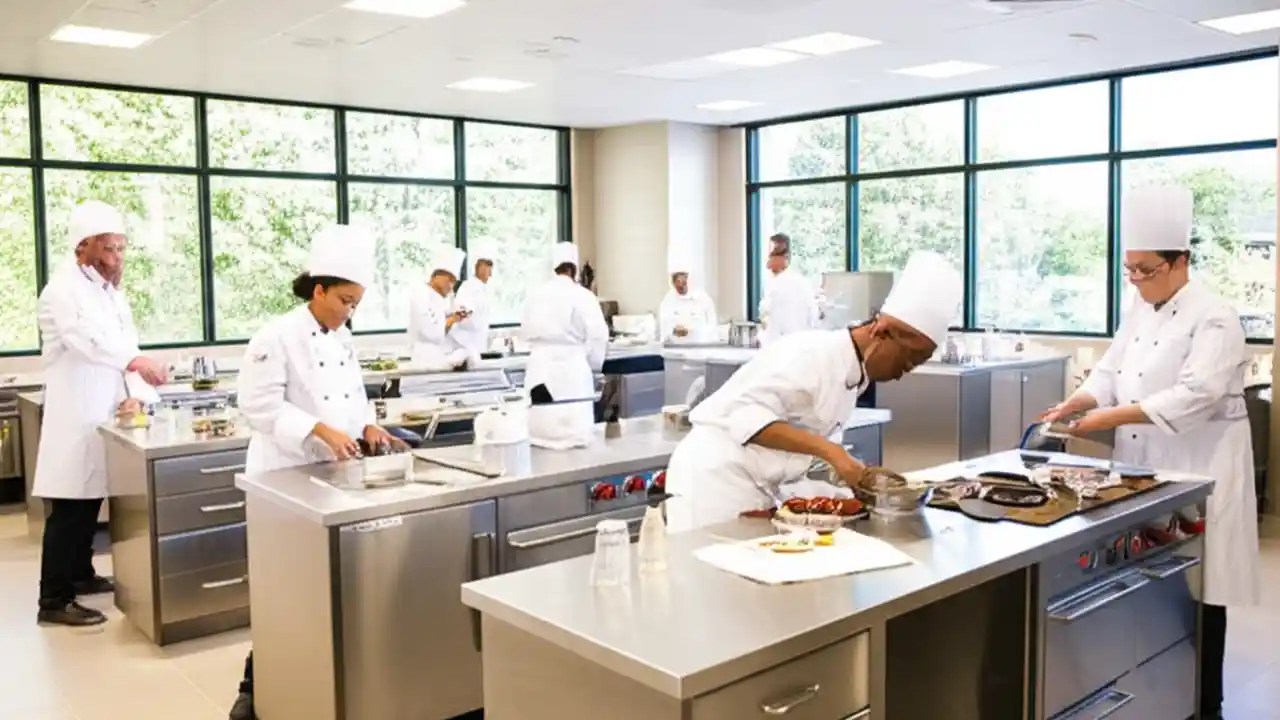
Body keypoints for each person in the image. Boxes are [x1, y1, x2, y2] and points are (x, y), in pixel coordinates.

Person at [1040, 185, 1258, 720]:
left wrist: (1107, 419)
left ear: (1180, 261)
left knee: (1201, 587)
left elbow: (1196, 394)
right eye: (1129, 270)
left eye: (1146, 270)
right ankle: (1156, 685)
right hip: (1147, 465)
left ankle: (1206, 703)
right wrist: (1078, 401)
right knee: (1152, 579)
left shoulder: (1215, 316)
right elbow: (1112, 371)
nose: (1135, 281)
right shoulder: (1140, 310)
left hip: (1201, 467)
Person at [229, 223, 405, 720]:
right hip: (284, 478)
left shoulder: (341, 336)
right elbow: (258, 408)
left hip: (333, 478)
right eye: (346, 300)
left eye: (357, 303)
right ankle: (253, 690)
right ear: (319, 288)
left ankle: (319, 685)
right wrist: (320, 429)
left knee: (321, 591)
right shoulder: (275, 337)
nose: (351, 311)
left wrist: (369, 426)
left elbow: (353, 395)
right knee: (284, 589)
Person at [665, 251, 962, 531]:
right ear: (880, 332)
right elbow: (743, 417)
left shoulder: (855, 376)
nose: (903, 372)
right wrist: (833, 454)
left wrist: (847, 481)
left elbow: (795, 444)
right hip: (715, 484)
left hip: (756, 486)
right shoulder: (812, 355)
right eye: (907, 359)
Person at [34, 200, 167, 627]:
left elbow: (130, 347)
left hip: (106, 417)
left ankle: (81, 574)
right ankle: (53, 600)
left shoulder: (113, 297)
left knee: (91, 504)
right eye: (109, 249)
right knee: (70, 511)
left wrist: (138, 395)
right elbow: (87, 342)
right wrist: (135, 364)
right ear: (82, 248)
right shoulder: (61, 291)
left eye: (122, 249)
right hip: (75, 419)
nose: (117, 258)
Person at [521, 242, 609, 449]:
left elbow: (524, 331)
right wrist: (592, 365)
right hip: (571, 369)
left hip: (539, 367)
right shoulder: (583, 296)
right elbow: (598, 337)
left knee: (540, 430)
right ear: (573, 269)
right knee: (572, 435)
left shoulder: (535, 295)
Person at [408, 246, 470, 370]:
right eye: (450, 280)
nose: (451, 287)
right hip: (425, 362)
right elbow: (431, 333)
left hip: (438, 361)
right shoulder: (421, 295)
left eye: (454, 282)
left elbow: (441, 328)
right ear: (436, 276)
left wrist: (454, 317)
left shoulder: (438, 300)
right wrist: (451, 320)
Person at [758, 233, 821, 345]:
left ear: (786, 257)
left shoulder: (780, 285)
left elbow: (771, 323)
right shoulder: (803, 282)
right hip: (799, 348)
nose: (767, 263)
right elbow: (813, 319)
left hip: (782, 348)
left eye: (771, 256)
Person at [659, 265, 717, 343]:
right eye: (677, 281)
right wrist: (673, 331)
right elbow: (663, 327)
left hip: (698, 350)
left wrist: (691, 332)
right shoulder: (668, 300)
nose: (680, 285)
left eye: (683, 281)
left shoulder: (704, 299)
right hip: (674, 350)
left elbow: (712, 329)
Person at [451, 257, 495, 357]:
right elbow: (461, 314)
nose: (490, 275)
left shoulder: (484, 289)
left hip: (478, 341)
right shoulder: (468, 287)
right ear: (481, 269)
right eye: (488, 270)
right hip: (466, 342)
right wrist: (476, 326)